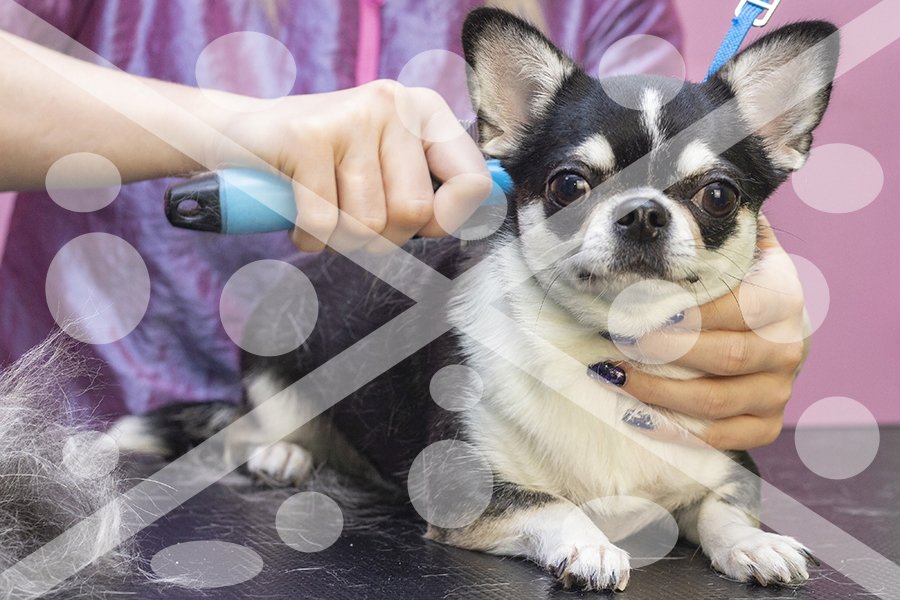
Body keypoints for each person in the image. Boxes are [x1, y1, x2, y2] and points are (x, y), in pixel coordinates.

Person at [0, 0, 805, 451]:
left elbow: (669, 178)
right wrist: (232, 128)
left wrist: (744, 306)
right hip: (59, 450)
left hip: (443, 465)